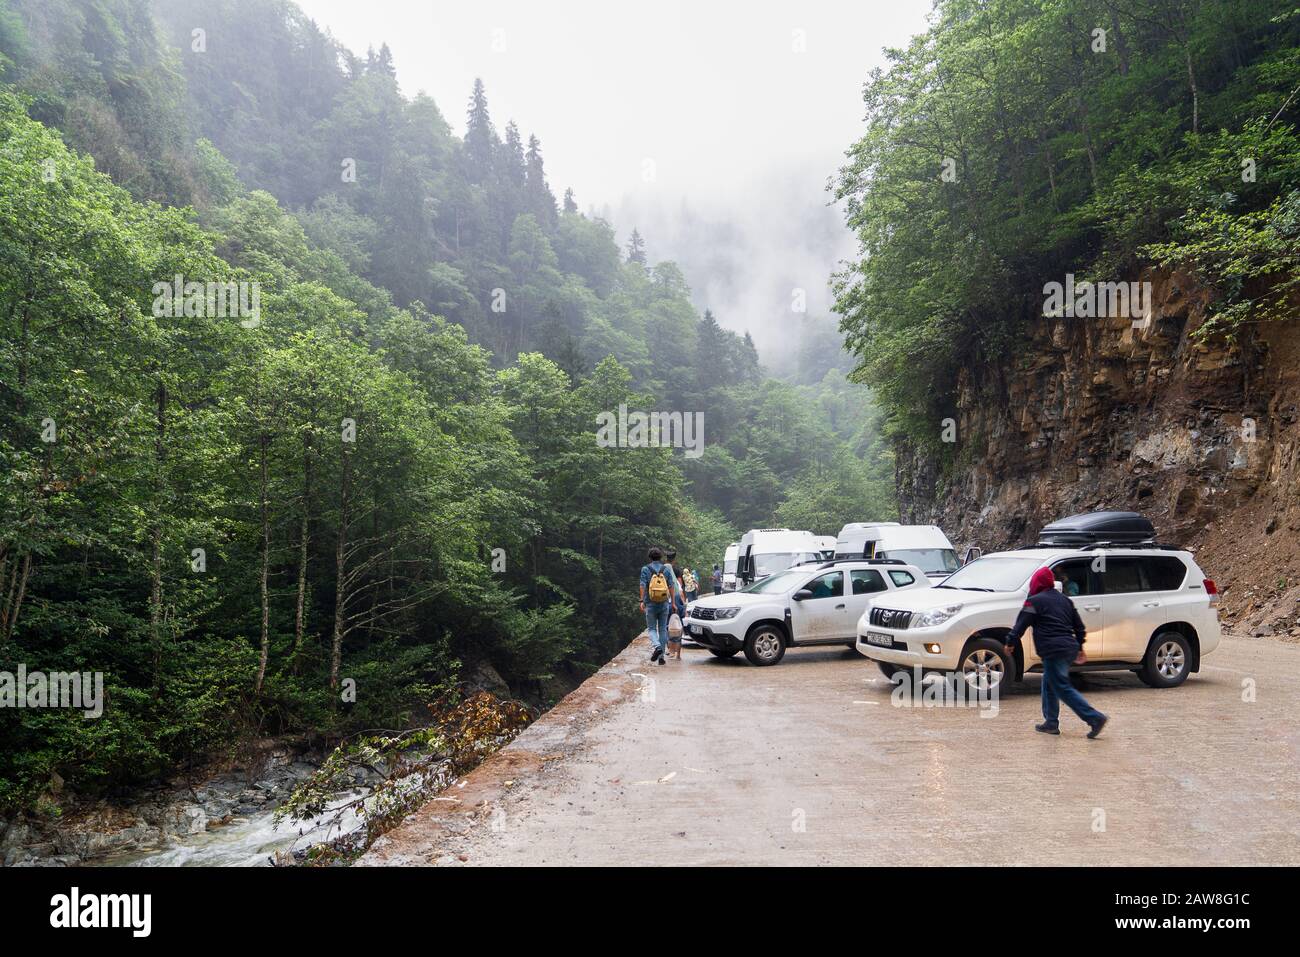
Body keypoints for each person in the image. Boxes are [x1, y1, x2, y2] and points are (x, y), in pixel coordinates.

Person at [1004, 566, 1108, 738]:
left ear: (1036, 582)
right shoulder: (1065, 600)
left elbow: (1021, 624)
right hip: (1068, 648)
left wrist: (1010, 642)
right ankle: (1051, 722)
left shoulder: (1034, 601)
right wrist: (1080, 646)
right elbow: (1079, 627)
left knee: (1062, 687)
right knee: (1050, 681)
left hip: (1053, 649)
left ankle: (1094, 718)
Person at [640, 547, 683, 665]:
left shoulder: (645, 569)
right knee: (663, 629)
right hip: (664, 603)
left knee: (652, 629)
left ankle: (657, 646)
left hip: (650, 603)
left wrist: (641, 600)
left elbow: (643, 585)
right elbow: (671, 586)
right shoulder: (666, 569)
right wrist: (673, 602)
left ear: (650, 557)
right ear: (660, 557)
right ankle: (661, 657)